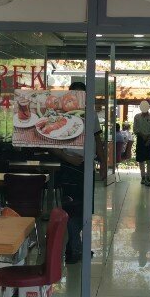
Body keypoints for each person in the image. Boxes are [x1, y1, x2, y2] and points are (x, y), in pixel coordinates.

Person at [54, 80, 103, 264]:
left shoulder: (90, 114)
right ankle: (74, 248)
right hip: (69, 166)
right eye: (74, 94)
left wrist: (104, 164)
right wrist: (66, 157)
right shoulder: (60, 115)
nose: (78, 98)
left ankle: (76, 244)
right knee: (72, 208)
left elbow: (98, 139)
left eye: (81, 94)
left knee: (85, 210)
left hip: (87, 166)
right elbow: (50, 144)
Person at [133, 100, 150, 186]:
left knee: (149, 159)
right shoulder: (137, 116)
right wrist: (143, 136)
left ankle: (148, 177)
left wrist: (148, 139)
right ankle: (143, 177)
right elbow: (135, 129)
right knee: (141, 159)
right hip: (140, 138)